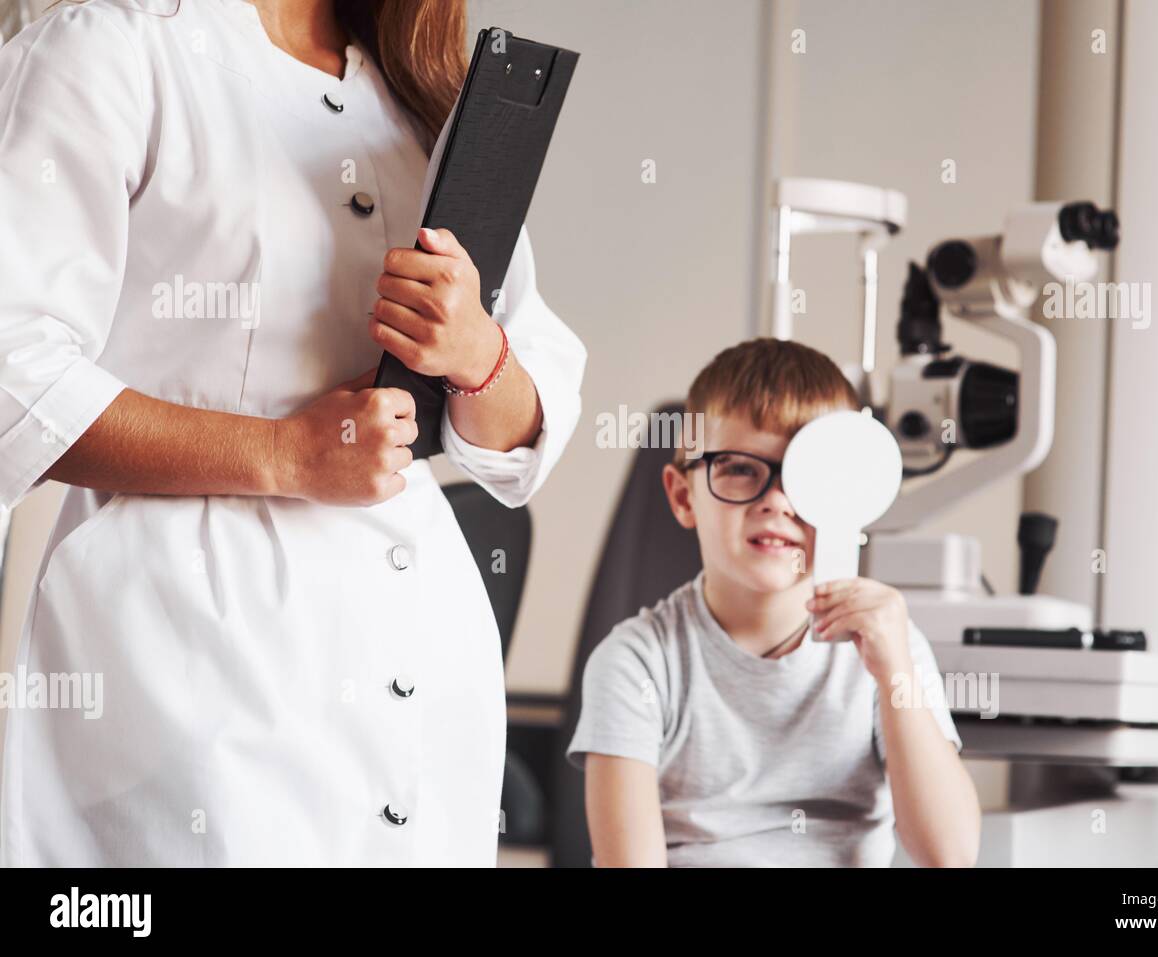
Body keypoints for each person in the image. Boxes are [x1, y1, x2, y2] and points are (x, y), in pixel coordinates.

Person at [0, 0, 584, 865]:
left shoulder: (422, 94)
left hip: (423, 666)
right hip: (186, 646)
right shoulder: (113, 45)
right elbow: (15, 368)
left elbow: (521, 435)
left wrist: (477, 354)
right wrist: (281, 455)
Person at [567, 339, 979, 867]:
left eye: (810, 476)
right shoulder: (637, 663)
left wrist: (894, 669)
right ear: (682, 495)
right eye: (739, 468)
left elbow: (950, 854)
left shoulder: (890, 650)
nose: (777, 500)